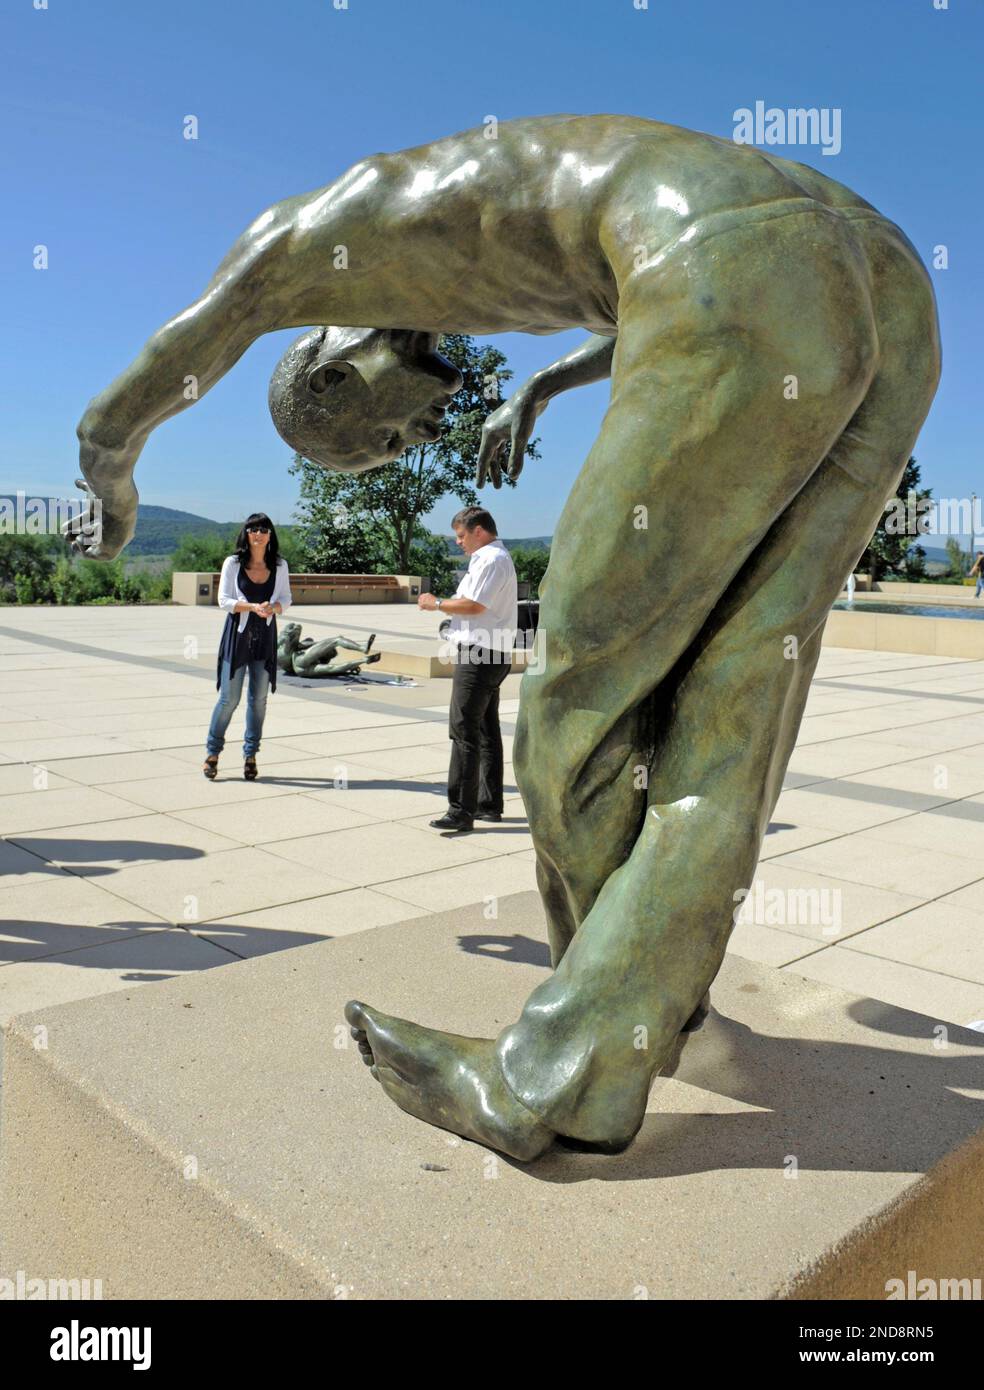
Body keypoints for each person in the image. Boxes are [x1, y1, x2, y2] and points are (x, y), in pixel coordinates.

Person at [69, 115, 941, 1160]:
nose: (417, 437)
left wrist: (110, 476)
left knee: (575, 714)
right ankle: (636, 1001)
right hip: (885, 285)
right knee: (738, 696)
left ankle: (568, 1064)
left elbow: (134, 394)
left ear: (334, 373)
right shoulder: (444, 212)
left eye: (384, 434)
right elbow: (761, 262)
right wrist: (543, 384)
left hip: (732, 261)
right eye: (398, 449)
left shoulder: (318, 236)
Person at [419, 506, 517, 832]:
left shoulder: (491, 559)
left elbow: (474, 606)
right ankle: (489, 805)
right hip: (491, 651)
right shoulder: (490, 558)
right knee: (486, 729)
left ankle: (461, 810)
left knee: (463, 729)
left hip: (480, 654)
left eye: (461, 535)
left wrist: (435, 603)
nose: (458, 542)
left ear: (479, 530)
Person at [204, 513, 292, 780]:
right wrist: (253, 607)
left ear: (270, 535)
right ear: (246, 533)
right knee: (229, 699)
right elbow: (224, 600)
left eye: (264, 529)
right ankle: (213, 752)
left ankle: (250, 755)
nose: (258, 534)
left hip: (264, 638)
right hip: (238, 637)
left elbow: (286, 598)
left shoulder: (279, 565)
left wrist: (273, 607)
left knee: (258, 701)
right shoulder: (233, 563)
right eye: (253, 529)